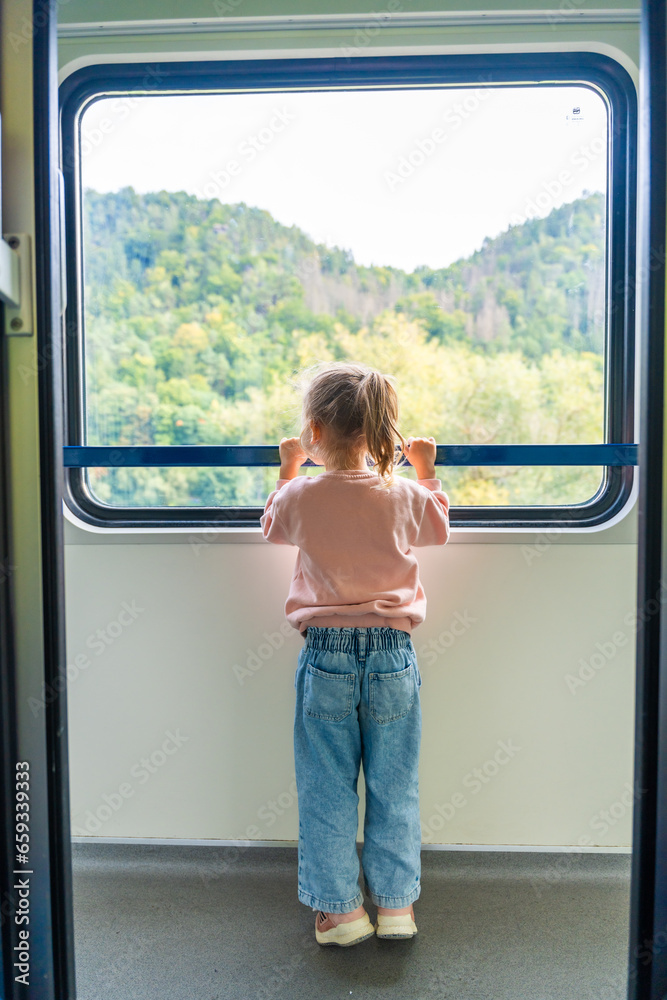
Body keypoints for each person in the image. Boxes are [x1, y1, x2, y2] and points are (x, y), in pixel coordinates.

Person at [260, 360, 450, 947]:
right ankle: (396, 909)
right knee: (396, 782)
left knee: (327, 784)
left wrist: (288, 468)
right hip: (393, 652)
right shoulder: (403, 492)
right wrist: (427, 471)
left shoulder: (301, 493)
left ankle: (341, 913)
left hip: (326, 656)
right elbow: (438, 528)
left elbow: (272, 527)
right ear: (383, 431)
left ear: (314, 431)